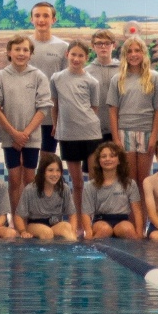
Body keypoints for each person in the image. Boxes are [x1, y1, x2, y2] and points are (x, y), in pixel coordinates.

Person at [0, 35, 52, 206]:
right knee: (14, 179)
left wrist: (24, 134)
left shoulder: (38, 76)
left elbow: (44, 108)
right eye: (17, 49)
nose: (21, 53)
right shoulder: (0, 77)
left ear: (31, 54)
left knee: (30, 179)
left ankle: (29, 217)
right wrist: (14, 134)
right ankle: (16, 220)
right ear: (9, 52)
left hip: (31, 137)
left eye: (25, 50)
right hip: (10, 137)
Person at [51, 41, 103, 217]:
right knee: (77, 182)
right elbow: (55, 105)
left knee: (95, 180)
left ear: (86, 58)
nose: (76, 58)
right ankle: (79, 220)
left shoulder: (92, 82)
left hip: (90, 134)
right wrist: (55, 125)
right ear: (67, 54)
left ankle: (95, 218)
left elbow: (94, 108)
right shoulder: (56, 78)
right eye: (73, 54)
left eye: (81, 55)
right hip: (68, 135)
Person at [109, 36, 158, 185]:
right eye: (129, 51)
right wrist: (116, 139)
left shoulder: (155, 78)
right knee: (130, 180)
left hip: (146, 132)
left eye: (137, 50)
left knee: (144, 180)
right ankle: (133, 210)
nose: (133, 54)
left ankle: (145, 209)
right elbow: (113, 111)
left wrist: (154, 137)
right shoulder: (117, 79)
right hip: (125, 132)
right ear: (124, 55)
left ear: (143, 53)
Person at [27, 2, 69, 161]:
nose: (41, 19)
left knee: (47, 160)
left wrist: (60, 115)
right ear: (31, 19)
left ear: (54, 19)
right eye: (37, 15)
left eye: (46, 15)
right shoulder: (23, 46)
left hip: (51, 114)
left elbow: (66, 83)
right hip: (27, 113)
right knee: (26, 162)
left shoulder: (63, 47)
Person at [82, 141, 140, 240]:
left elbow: (137, 211)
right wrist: (88, 231)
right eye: (103, 156)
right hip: (100, 221)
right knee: (105, 229)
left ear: (119, 160)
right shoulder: (90, 186)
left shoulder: (130, 184)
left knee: (128, 229)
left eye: (112, 156)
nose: (107, 159)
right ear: (99, 161)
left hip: (122, 220)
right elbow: (86, 213)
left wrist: (139, 232)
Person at [15, 156, 77, 241]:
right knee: (47, 232)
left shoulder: (64, 189)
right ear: (43, 172)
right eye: (50, 170)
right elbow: (19, 216)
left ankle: (71, 253)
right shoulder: (30, 189)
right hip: (34, 225)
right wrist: (23, 232)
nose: (55, 174)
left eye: (58, 170)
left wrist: (73, 231)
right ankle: (47, 254)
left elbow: (72, 214)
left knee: (67, 227)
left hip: (55, 224)